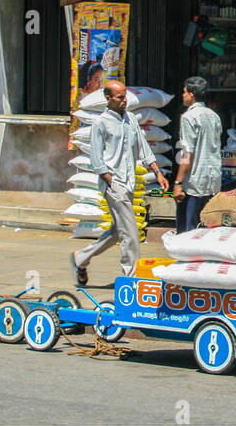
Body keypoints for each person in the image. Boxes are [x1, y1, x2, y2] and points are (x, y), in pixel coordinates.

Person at [70, 81, 168, 284]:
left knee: (117, 231)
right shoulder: (101, 123)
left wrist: (158, 172)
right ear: (108, 99)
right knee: (131, 233)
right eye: (120, 97)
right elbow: (97, 160)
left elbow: (144, 148)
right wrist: (111, 181)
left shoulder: (131, 119)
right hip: (114, 184)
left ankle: (80, 258)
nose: (125, 100)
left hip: (129, 182)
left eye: (125, 96)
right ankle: (130, 279)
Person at [173, 77, 223, 234]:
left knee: (188, 230)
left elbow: (187, 152)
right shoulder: (214, 116)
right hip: (212, 181)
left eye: (184, 92)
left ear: (191, 94)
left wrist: (178, 182)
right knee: (207, 229)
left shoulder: (189, 117)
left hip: (194, 182)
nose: (183, 95)